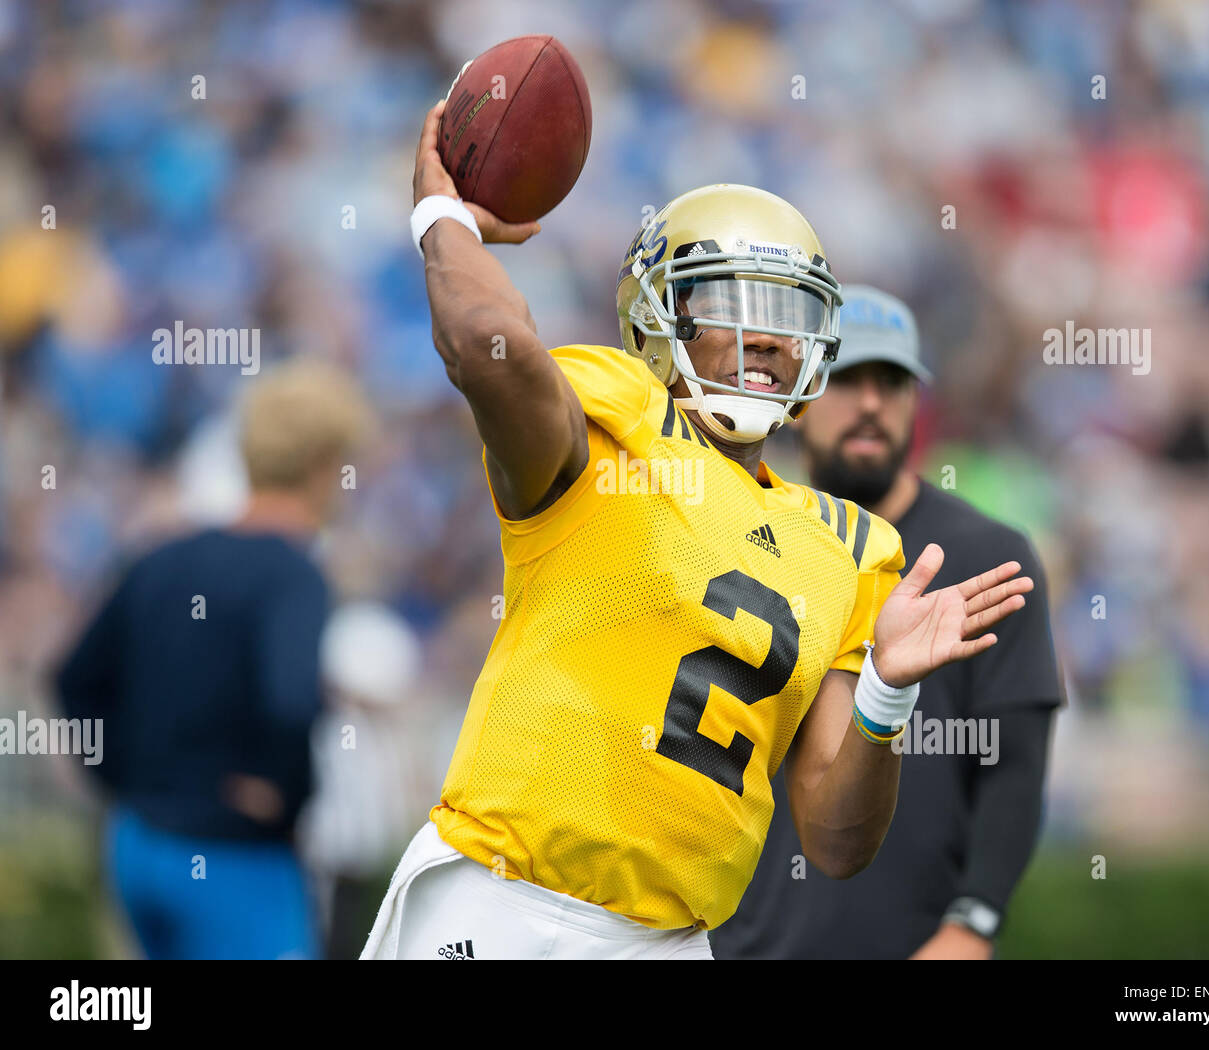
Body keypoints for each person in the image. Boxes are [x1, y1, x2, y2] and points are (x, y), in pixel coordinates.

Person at [361, 101, 1035, 961]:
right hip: (502, 902)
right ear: (659, 315)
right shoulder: (618, 416)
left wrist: (886, 695)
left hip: (672, 942)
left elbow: (837, 842)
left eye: (787, 313)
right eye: (728, 303)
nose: (763, 337)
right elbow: (485, 336)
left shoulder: (854, 546)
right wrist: (442, 215)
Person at [709, 285, 1064, 960]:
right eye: (846, 379)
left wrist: (973, 923)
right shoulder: (742, 539)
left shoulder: (989, 558)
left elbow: (1013, 770)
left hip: (913, 942)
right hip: (742, 940)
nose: (871, 403)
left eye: (893, 383)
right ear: (802, 392)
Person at [56, 359, 371, 960]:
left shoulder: (161, 558)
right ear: (324, 463)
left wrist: (126, 780)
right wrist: (285, 797)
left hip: (136, 845)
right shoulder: (292, 572)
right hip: (233, 858)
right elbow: (288, 701)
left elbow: (74, 677)